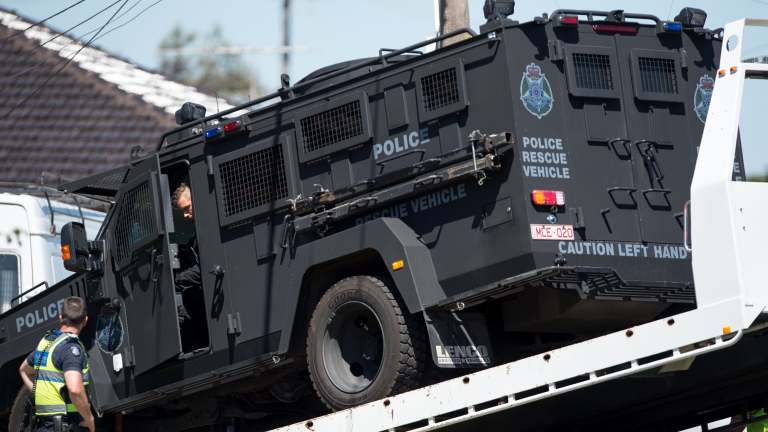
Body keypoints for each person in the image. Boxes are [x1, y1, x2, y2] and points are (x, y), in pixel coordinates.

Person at [19, 296, 95, 432]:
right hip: (64, 425)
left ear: (60, 317)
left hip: (43, 425)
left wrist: (38, 393)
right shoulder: (71, 349)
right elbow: (75, 390)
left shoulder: (46, 343)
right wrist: (89, 419)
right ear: (85, 320)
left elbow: (23, 369)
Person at [172, 183, 204, 349]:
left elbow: (203, 269)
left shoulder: (208, 225)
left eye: (187, 208)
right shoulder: (197, 233)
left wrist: (178, 280)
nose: (185, 215)